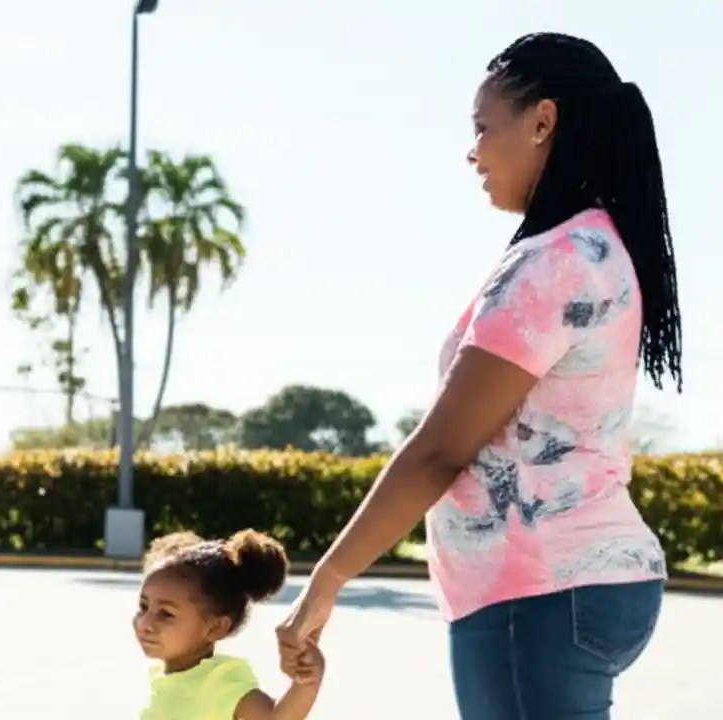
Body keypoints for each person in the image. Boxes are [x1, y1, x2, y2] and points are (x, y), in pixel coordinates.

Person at [275, 32, 680, 720]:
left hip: (539, 594)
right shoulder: (592, 249)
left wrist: (327, 579)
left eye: (483, 129)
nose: (473, 153)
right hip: (571, 586)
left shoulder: (555, 262)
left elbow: (441, 449)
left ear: (543, 121)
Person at [136, 529, 325, 720]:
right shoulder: (160, 676)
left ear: (215, 627)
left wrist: (306, 683)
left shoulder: (220, 681)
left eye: (166, 614)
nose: (144, 623)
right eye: (143, 606)